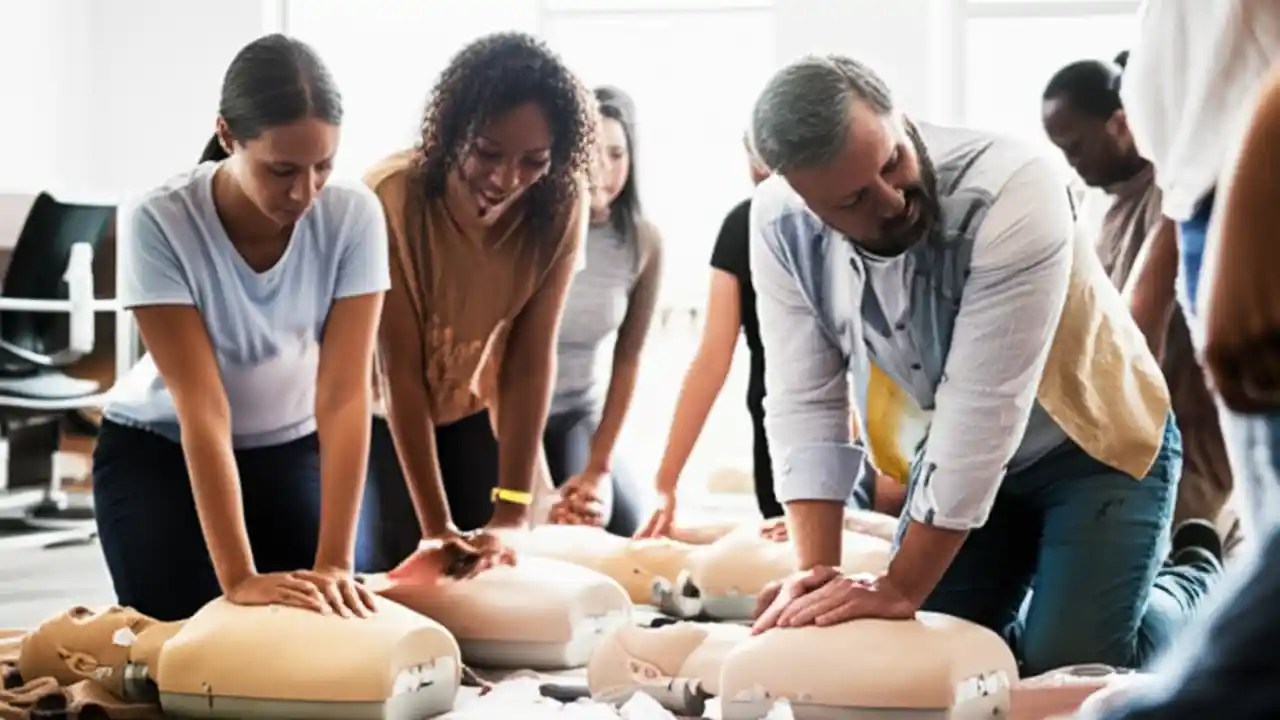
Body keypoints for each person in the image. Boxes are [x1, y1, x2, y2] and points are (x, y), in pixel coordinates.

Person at [743, 54, 1221, 676]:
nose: (890, 202)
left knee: (1069, 665)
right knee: (929, 659)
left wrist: (899, 587)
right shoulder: (779, 225)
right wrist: (816, 575)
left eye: (892, 162)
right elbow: (804, 401)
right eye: (854, 199)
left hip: (1094, 447)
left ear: (900, 117)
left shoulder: (1013, 187)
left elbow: (983, 409)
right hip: (960, 460)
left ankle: (1193, 578)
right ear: (807, 204)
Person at [94, 34, 389, 622]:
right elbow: (204, 407)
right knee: (193, 632)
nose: (305, 193)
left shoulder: (354, 214)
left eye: (323, 166)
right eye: (282, 170)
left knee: (331, 614)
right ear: (228, 135)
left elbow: (343, 396)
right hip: (163, 448)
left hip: (291, 442)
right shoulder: (160, 218)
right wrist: (239, 577)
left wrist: (333, 561)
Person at [1080, 60, 1280, 720]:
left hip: (1182, 422)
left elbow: (1137, 325)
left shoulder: (1173, 199)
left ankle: (1195, 573)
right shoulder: (1108, 208)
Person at [364, 32, 596, 573]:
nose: (506, 179)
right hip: (378, 417)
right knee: (402, 572)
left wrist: (512, 510)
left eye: (533, 161)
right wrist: (433, 526)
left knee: (489, 572)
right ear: (450, 133)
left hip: (469, 408)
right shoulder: (388, 196)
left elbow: (528, 360)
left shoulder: (561, 203)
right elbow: (398, 370)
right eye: (488, 153)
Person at [636, 133, 908, 539]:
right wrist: (665, 483)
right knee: (795, 559)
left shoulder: (863, 217)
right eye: (757, 162)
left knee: (872, 553)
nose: (768, 176)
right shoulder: (742, 225)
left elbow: (893, 345)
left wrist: (890, 458)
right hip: (784, 441)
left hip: (876, 438)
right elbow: (711, 360)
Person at [1041, 57, 1237, 552]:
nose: (1072, 163)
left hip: (1187, 445)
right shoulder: (1086, 205)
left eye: (1077, 146)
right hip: (1106, 439)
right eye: (1061, 151)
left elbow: (1135, 339)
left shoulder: (1180, 199)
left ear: (1122, 122)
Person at [543, 86, 661, 537]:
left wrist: (598, 469)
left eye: (616, 154)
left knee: (617, 523)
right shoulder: (532, 231)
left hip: (576, 414)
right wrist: (536, 489)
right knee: (535, 528)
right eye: (591, 153)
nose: (603, 170)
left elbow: (627, 359)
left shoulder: (643, 243)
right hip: (505, 421)